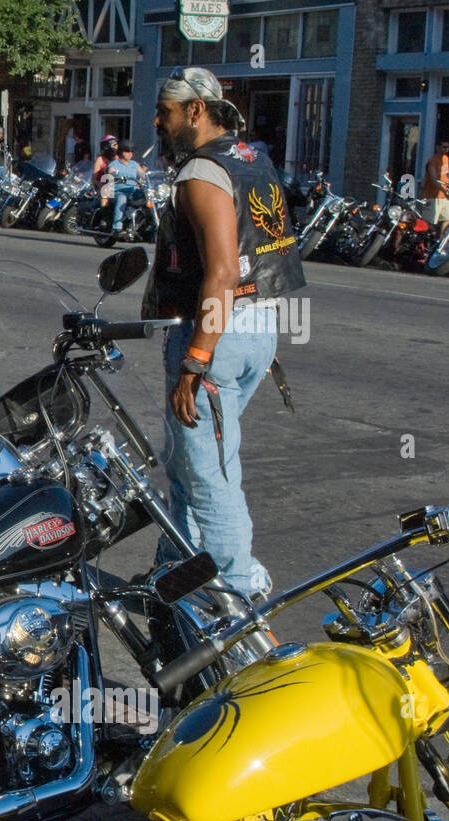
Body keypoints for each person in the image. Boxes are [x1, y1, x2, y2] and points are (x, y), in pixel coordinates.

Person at [143, 66, 306, 600]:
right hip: (257, 326)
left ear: (195, 111)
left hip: (217, 331)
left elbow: (222, 272)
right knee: (192, 466)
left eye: (165, 113)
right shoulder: (252, 159)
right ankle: (178, 576)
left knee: (211, 477)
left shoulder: (203, 172)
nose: (158, 122)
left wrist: (196, 359)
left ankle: (238, 593)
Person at [106, 140, 147, 237]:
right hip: (118, 191)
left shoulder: (134, 164)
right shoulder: (114, 165)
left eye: (132, 152)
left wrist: (148, 176)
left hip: (132, 191)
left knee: (146, 196)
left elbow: (143, 175)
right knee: (122, 198)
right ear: (121, 152)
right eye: (127, 151)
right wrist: (126, 180)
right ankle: (117, 227)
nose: (130, 154)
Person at [423, 139, 449, 231]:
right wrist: (445, 191)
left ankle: (441, 238)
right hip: (433, 196)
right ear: (438, 147)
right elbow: (433, 180)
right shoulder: (432, 161)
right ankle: (427, 241)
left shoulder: (446, 159)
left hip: (445, 196)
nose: (446, 149)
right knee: (430, 222)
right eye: (444, 147)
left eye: (448, 147)